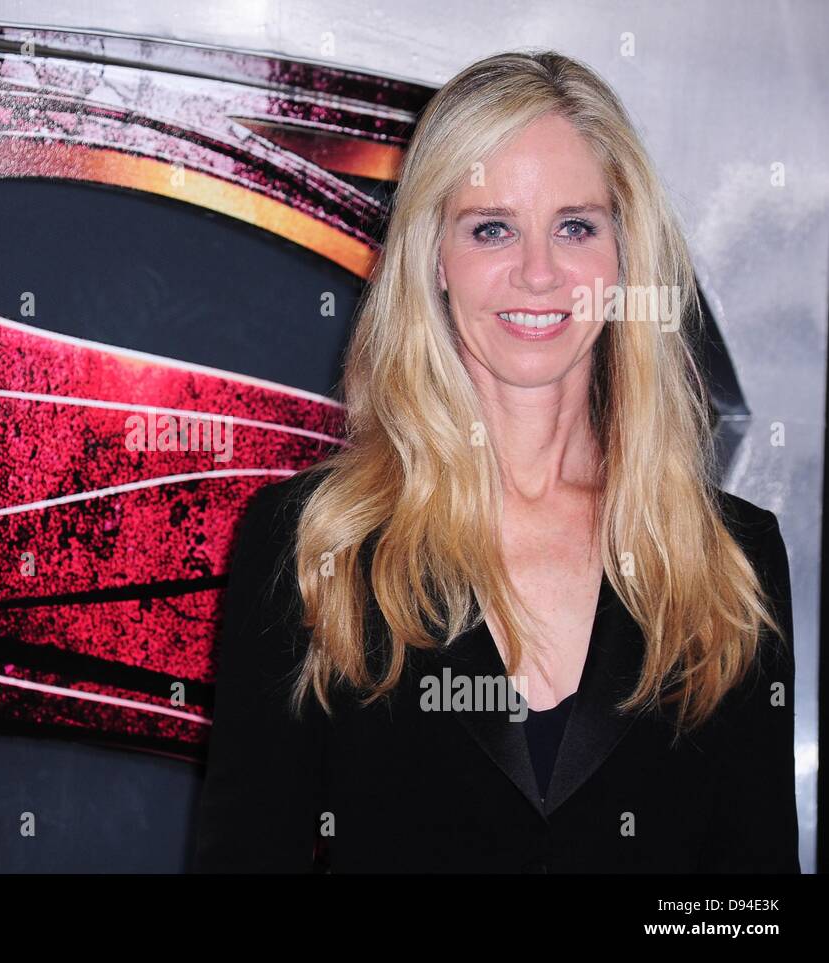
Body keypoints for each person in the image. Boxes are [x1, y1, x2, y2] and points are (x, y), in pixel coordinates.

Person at [193, 50, 799, 873]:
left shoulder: (727, 557)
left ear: (624, 259)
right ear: (435, 258)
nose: (540, 272)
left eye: (576, 226)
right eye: (492, 228)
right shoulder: (311, 546)